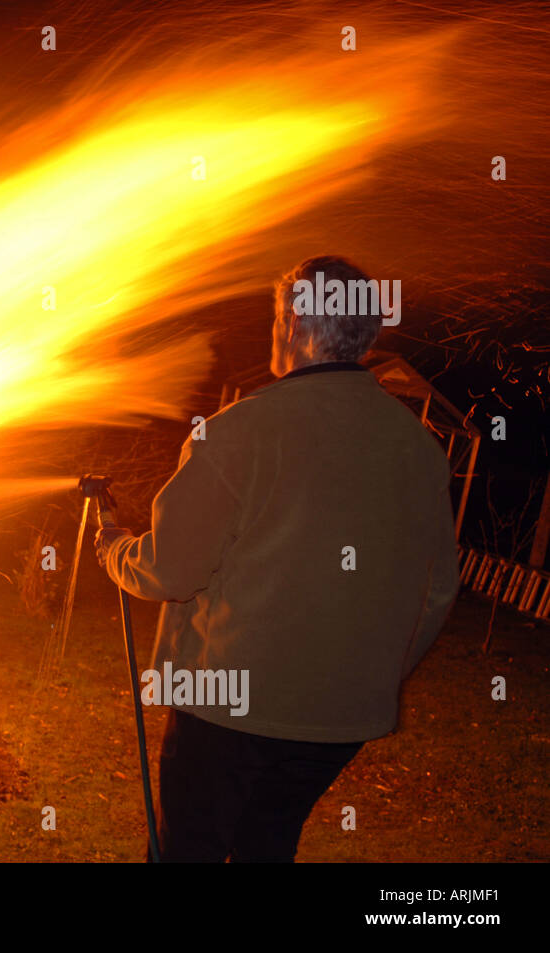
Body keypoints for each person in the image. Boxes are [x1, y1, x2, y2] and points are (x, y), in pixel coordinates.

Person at [95, 255, 459, 862]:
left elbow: (170, 571)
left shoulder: (237, 433)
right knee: (268, 843)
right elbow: (436, 591)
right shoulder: (417, 448)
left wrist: (114, 549)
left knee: (190, 850)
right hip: (340, 718)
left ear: (293, 324)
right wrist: (371, 677)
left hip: (228, 711)